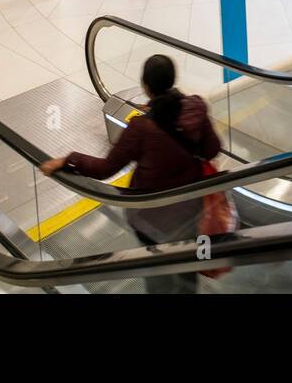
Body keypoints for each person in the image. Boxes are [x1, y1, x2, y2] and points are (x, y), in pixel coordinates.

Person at [40, 55, 220, 294]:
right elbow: (211, 149)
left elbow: (105, 169)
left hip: (151, 219)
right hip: (191, 210)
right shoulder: (195, 108)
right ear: (172, 79)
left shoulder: (141, 127)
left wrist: (69, 159)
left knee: (157, 272)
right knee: (187, 262)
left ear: (145, 86)